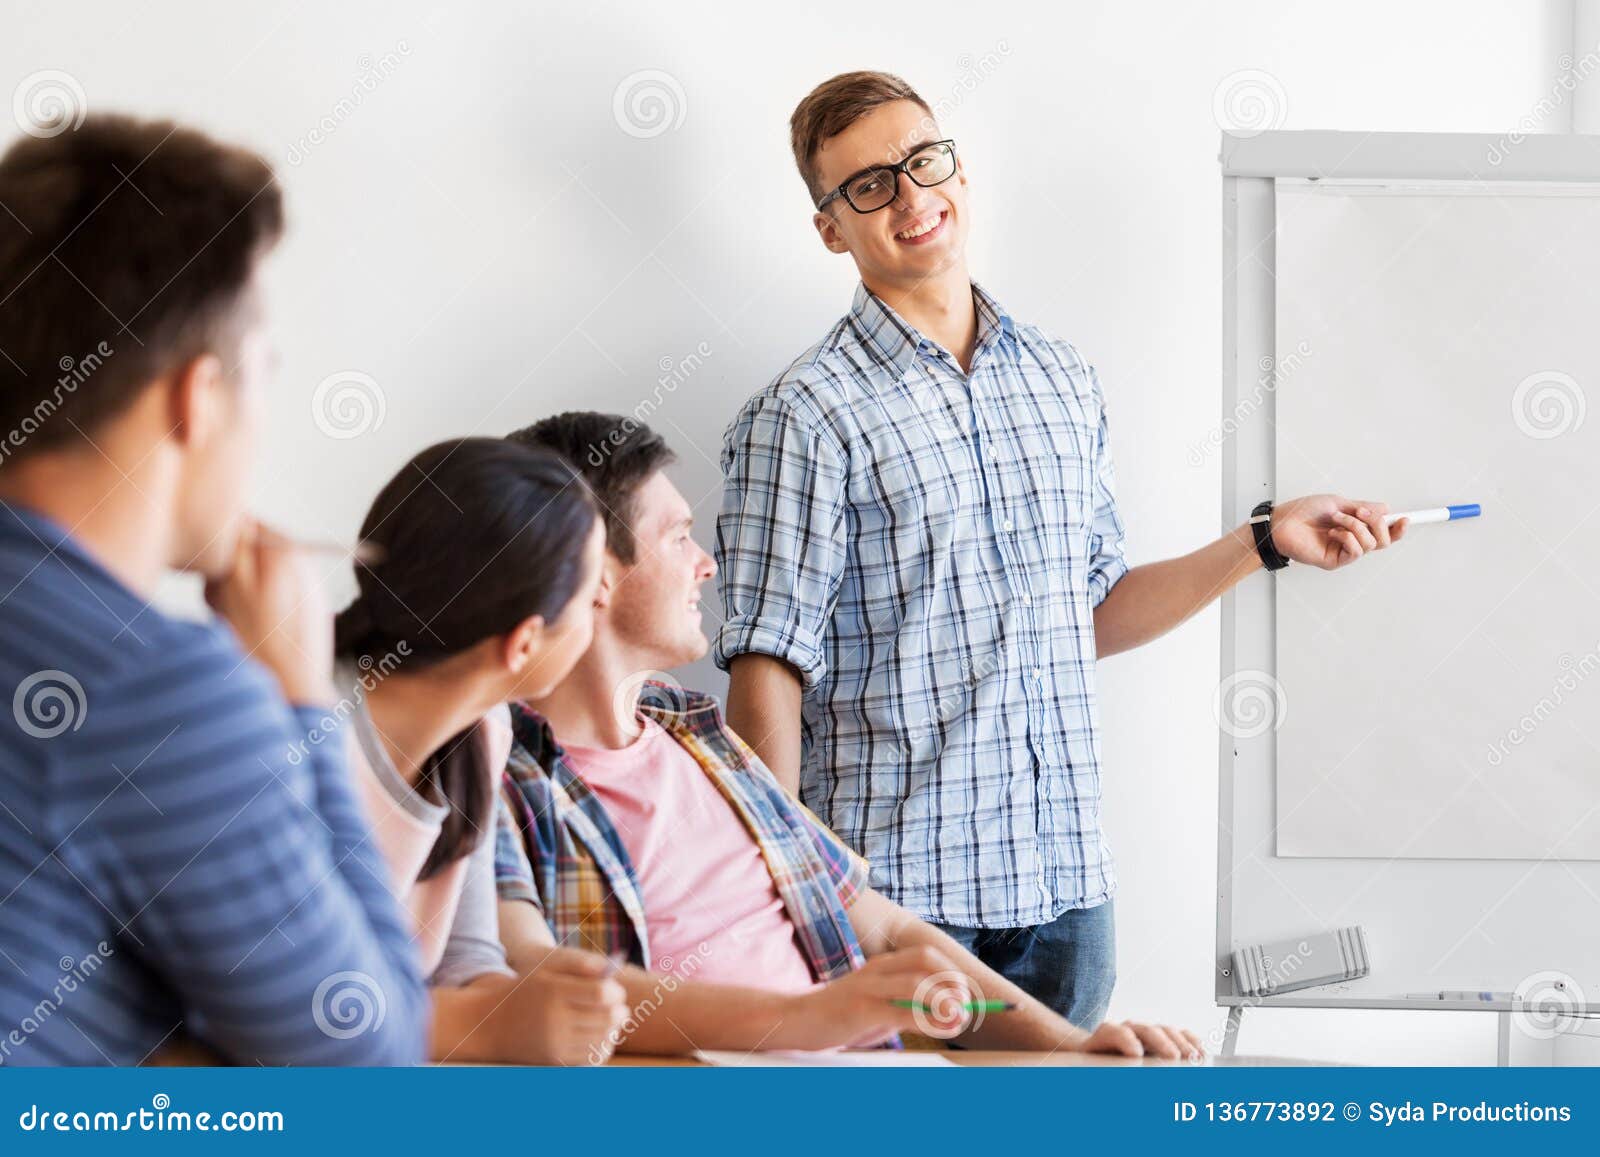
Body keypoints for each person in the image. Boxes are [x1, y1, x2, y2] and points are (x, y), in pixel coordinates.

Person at [714, 70, 1408, 1025]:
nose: (912, 196)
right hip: (901, 900)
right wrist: (782, 894)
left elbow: (1086, 615)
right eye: (869, 184)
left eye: (924, 160)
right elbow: (768, 667)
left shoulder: (1059, 379)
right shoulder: (802, 414)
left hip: (1068, 895)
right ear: (832, 225)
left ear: (957, 165)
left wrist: (1260, 543)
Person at [493, 412, 1202, 1058]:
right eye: (678, 536)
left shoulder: (699, 735)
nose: (705, 561)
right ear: (592, 567)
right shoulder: (497, 776)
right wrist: (813, 1016)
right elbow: (539, 989)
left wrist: (1072, 1046)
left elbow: (888, 931)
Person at [0, 115, 425, 1064]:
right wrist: (299, 701)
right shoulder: (151, 683)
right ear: (197, 397)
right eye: (260, 375)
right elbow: (367, 1065)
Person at [332, 437, 628, 1064]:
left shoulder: (482, 733)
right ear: (524, 643)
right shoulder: (304, 733)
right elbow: (287, 1010)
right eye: (588, 591)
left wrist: (529, 1008)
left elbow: (464, 958)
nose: (600, 607)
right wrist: (487, 1024)